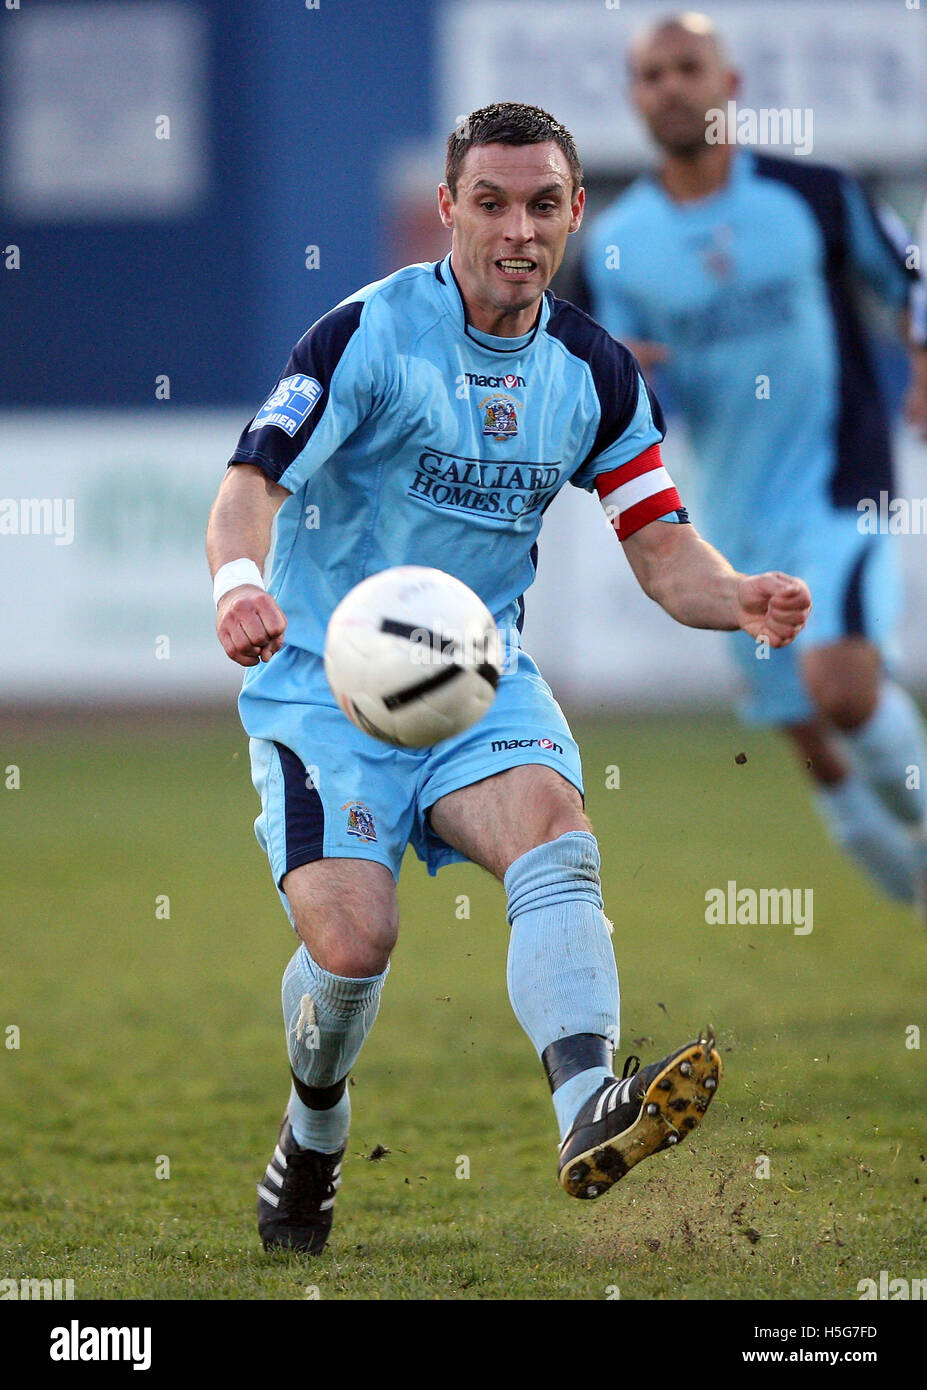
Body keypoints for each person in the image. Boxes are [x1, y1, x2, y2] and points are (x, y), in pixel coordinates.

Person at [206, 102, 810, 1255]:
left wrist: (733, 596)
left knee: (553, 828)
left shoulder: (596, 372)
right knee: (353, 943)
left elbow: (661, 547)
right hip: (324, 687)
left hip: (476, 677)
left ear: (578, 213)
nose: (518, 230)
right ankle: (314, 1128)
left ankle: (589, 1102)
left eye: (544, 205)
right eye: (491, 203)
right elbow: (249, 484)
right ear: (448, 210)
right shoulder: (368, 334)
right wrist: (240, 579)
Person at [582, 13, 927, 920]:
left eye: (686, 67)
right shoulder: (618, 243)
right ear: (633, 97)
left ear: (729, 85)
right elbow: (620, 388)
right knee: (816, 745)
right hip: (728, 517)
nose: (668, 87)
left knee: (844, 686)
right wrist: (623, 373)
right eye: (649, 75)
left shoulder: (813, 194)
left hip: (839, 488)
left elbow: (911, 277)